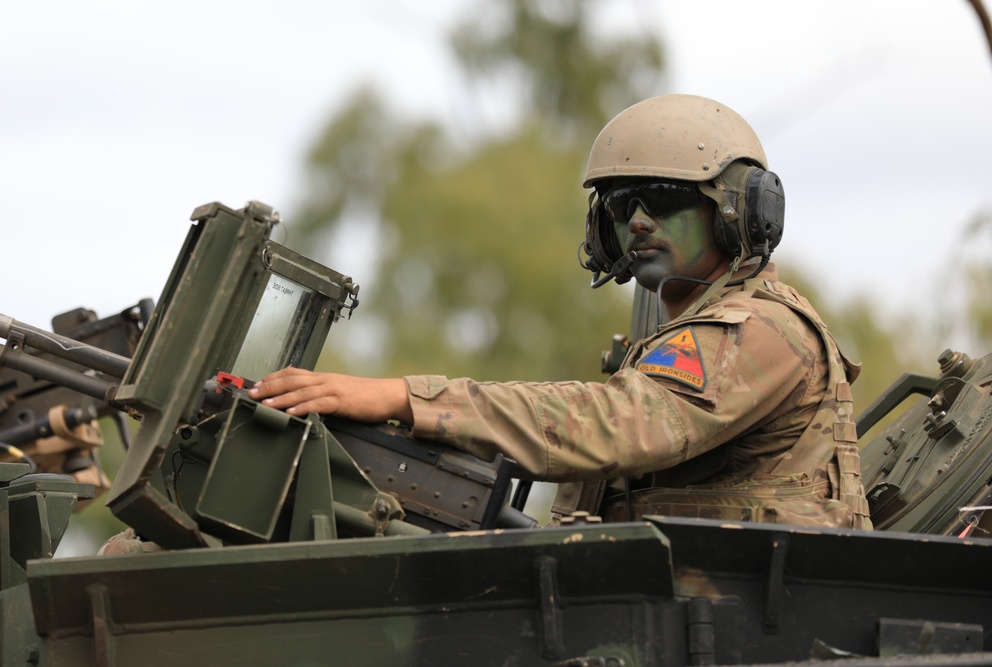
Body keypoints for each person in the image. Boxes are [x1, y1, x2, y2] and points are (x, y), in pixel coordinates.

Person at [249, 94, 873, 530]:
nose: (636, 221)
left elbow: (616, 424)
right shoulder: (678, 334)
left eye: (661, 197)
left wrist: (407, 398)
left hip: (746, 616)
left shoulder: (761, 330)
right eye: (621, 202)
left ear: (737, 209)